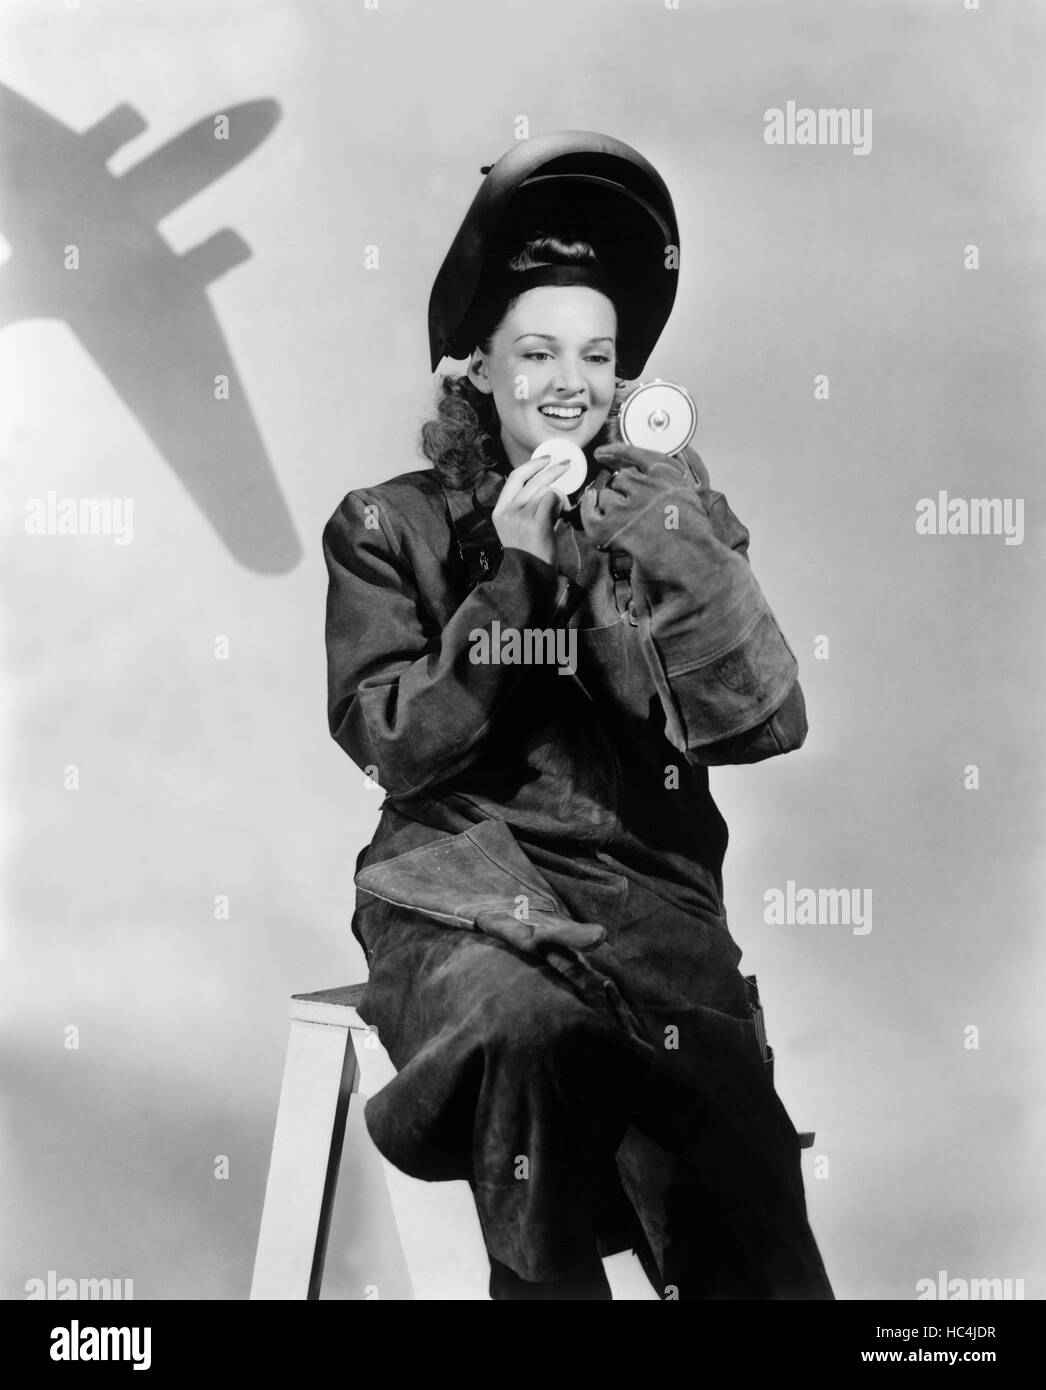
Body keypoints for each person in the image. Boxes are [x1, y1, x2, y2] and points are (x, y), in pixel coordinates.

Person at [322, 132, 833, 1300]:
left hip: (646, 903)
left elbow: (764, 718)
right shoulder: (384, 526)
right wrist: (508, 575)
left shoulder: (655, 511)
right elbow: (395, 738)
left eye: (596, 357)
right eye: (537, 350)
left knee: (729, 1155)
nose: (568, 380)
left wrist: (667, 531)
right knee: (534, 1029)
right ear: (477, 370)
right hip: (466, 889)